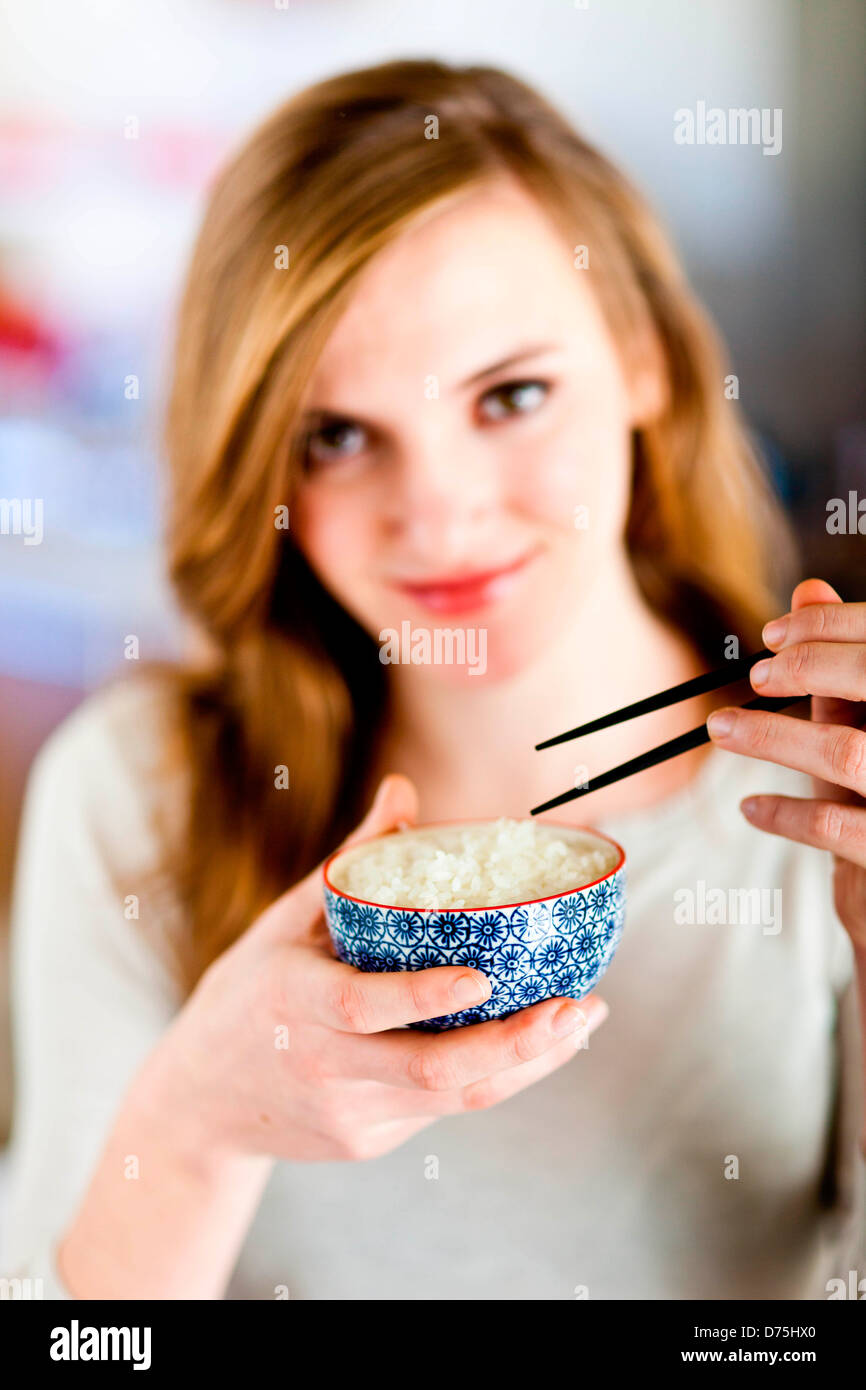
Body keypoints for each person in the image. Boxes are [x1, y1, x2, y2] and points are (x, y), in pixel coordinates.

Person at [4, 59, 864, 1300]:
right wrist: (194, 1127)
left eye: (509, 395)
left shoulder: (818, 797)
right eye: (338, 436)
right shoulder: (139, 794)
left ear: (643, 363)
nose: (440, 515)